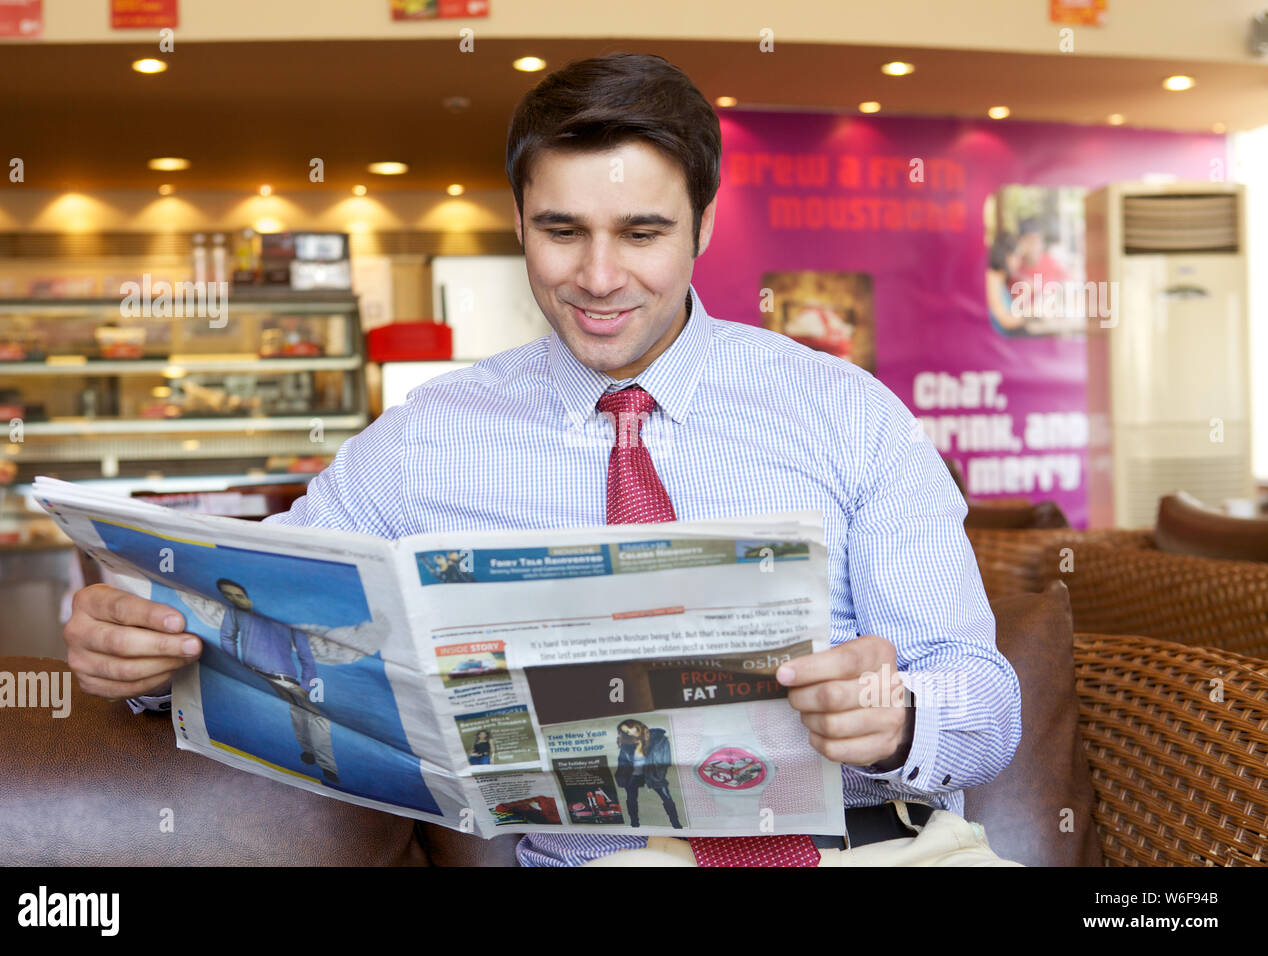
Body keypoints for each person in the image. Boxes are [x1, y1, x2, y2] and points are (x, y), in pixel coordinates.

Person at [61, 51, 1021, 868]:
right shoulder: (429, 437)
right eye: (562, 232)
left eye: (643, 233)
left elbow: (984, 703)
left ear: (706, 227)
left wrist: (894, 716)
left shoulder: (849, 413)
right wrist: (146, 644)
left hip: (876, 849)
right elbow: (250, 603)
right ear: (519, 221)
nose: (599, 279)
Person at [214, 577, 339, 785]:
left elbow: (304, 652)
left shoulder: (286, 612)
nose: (234, 599)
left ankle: (323, 763)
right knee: (293, 713)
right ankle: (311, 755)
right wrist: (234, 667)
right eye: (228, 595)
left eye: (238, 595)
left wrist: (308, 682)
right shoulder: (234, 610)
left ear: (249, 594)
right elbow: (227, 636)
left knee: (310, 714)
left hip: (283, 678)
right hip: (252, 674)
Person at [615, 719, 681, 829]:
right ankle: (634, 823)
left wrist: (659, 774)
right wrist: (622, 778)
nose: (629, 733)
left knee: (666, 797)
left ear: (639, 727)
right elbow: (622, 762)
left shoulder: (659, 739)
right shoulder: (626, 744)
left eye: (630, 730)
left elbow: (666, 759)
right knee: (631, 798)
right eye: (625, 732)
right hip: (634, 775)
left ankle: (676, 823)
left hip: (653, 773)